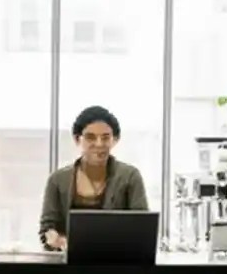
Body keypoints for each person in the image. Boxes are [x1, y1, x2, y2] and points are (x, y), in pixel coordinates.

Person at [39, 105, 149, 251]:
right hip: (69, 259)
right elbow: (47, 227)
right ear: (77, 139)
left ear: (115, 139)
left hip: (118, 258)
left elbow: (142, 226)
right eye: (90, 137)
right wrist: (54, 238)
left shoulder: (130, 176)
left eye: (105, 138)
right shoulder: (58, 180)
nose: (99, 144)